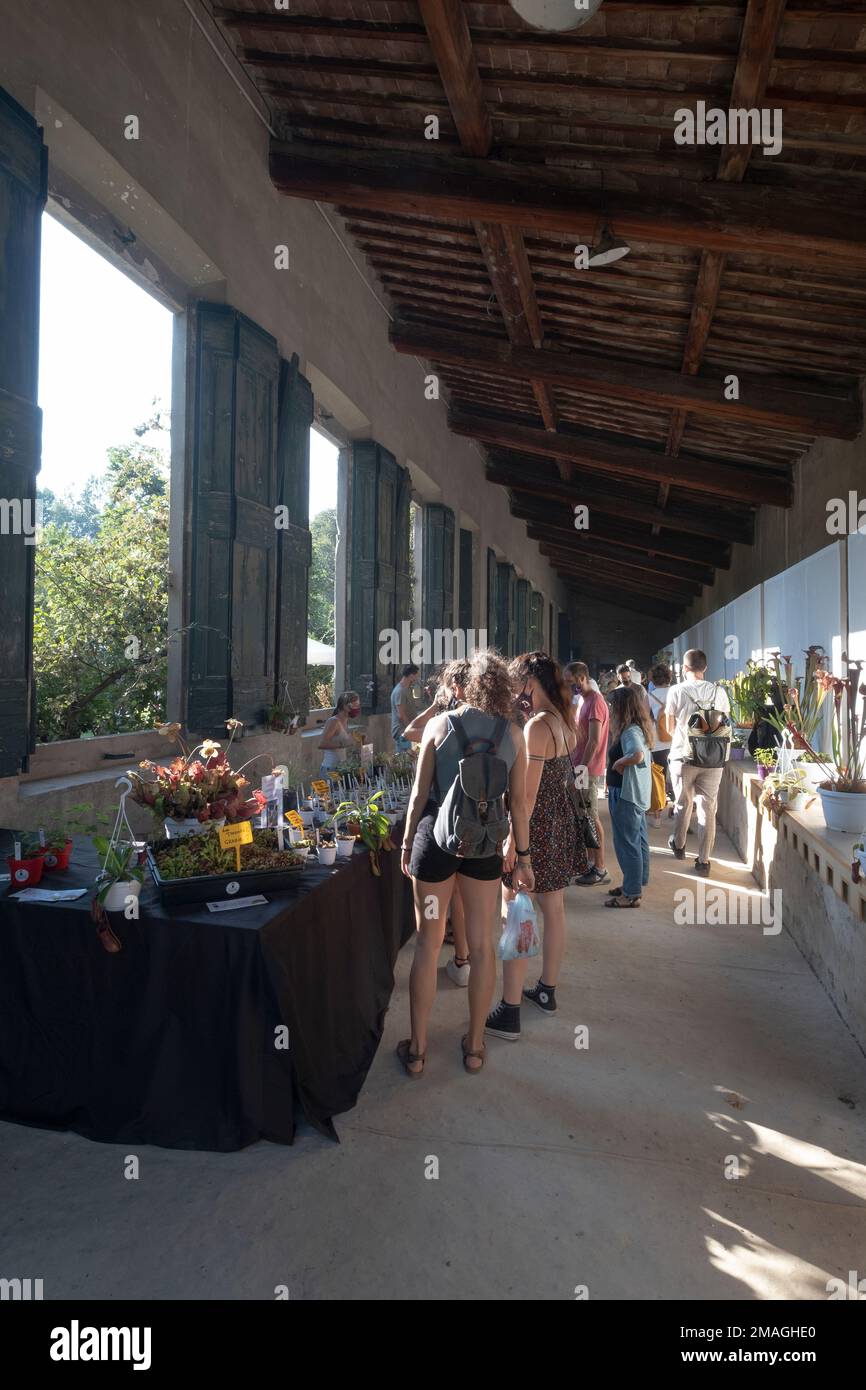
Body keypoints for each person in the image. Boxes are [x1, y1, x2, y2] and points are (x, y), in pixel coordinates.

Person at [397, 650, 532, 1077]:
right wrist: (523, 857)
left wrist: (405, 845)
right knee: (482, 945)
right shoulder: (514, 734)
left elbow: (419, 795)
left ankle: (417, 1052)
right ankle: (474, 1047)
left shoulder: (439, 725)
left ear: (464, 684)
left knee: (428, 945)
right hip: (484, 850)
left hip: (436, 845)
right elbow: (520, 806)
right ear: (500, 686)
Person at [485, 652, 589, 1041]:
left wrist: (517, 848)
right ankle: (546, 991)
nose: (515, 693)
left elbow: (523, 799)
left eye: (517, 684)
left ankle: (509, 1010)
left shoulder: (536, 728)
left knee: (516, 914)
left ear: (531, 682)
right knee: (554, 910)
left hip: (536, 831)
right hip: (558, 827)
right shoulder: (564, 722)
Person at [403, 659, 472, 989]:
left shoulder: (440, 723)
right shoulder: (496, 726)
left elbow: (408, 732)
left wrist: (434, 706)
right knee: (459, 900)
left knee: (427, 940)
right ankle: (463, 960)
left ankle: (418, 1041)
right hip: (475, 826)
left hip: (439, 825)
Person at [662, 648, 731, 876]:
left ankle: (679, 845)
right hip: (713, 759)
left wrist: (687, 737)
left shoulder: (676, 690)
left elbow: (670, 727)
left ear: (684, 668)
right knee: (707, 809)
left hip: (683, 756)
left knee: (683, 803)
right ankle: (703, 861)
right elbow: (725, 723)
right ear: (705, 668)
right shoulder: (718, 692)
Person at [604, 685, 654, 909]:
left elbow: (637, 755)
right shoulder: (636, 727)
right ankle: (635, 883)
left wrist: (618, 762)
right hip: (634, 793)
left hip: (626, 794)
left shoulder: (629, 731)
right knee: (638, 839)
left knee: (627, 843)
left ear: (622, 707)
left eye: (613, 705)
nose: (610, 709)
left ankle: (632, 893)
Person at [566, 661, 610, 887]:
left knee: (591, 817)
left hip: (587, 769)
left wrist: (580, 770)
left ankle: (600, 867)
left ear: (582, 678)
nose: (569, 686)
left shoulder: (595, 702)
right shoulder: (583, 699)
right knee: (584, 817)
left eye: (571, 682)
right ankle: (591, 863)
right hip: (580, 766)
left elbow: (593, 741)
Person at [646, 662, 673, 827]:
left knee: (658, 779)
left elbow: (645, 721)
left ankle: (657, 817)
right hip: (676, 741)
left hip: (657, 744)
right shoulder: (677, 693)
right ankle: (680, 812)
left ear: (653, 680)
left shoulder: (649, 697)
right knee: (678, 779)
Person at [318, 691, 361, 774]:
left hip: (341, 767)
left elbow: (343, 743)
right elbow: (322, 744)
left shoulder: (345, 721)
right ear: (345, 706)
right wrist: (343, 744)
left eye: (358, 705)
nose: (356, 708)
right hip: (330, 769)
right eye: (354, 705)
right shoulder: (334, 721)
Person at [391, 663, 419, 752]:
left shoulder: (408, 689)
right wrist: (410, 729)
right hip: (402, 731)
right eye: (416, 675)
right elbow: (401, 715)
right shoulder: (400, 691)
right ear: (411, 676)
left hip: (407, 730)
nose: (416, 678)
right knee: (404, 759)